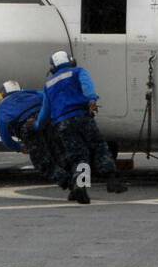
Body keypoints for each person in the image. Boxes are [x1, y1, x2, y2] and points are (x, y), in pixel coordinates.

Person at [36, 50, 126, 203]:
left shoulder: (48, 85)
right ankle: (112, 181)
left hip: (63, 124)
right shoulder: (78, 72)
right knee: (99, 147)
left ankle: (81, 188)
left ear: (53, 67)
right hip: (82, 117)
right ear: (71, 61)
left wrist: (37, 126)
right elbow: (87, 86)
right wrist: (92, 100)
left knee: (78, 155)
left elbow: (45, 111)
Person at [0, 81, 70, 192]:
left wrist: (20, 147)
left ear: (2, 95)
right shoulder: (32, 93)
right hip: (48, 121)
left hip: (29, 128)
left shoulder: (3, 108)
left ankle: (69, 182)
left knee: (42, 162)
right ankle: (78, 176)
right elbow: (49, 96)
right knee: (61, 151)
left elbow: (5, 137)